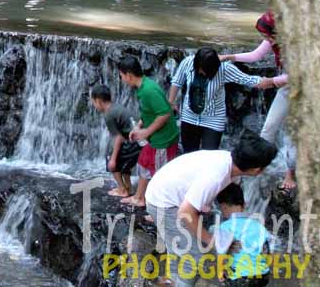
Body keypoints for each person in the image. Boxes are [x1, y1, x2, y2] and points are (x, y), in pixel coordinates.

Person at [145, 136, 278, 287]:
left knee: (180, 245)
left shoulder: (227, 161)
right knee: (195, 254)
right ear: (256, 169)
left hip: (169, 190)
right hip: (164, 202)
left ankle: (172, 280)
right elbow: (185, 212)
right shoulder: (217, 176)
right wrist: (214, 241)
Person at [220, 11, 296, 190]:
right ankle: (257, 165)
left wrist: (271, 82)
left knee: (293, 134)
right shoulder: (273, 40)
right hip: (286, 88)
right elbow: (256, 56)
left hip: (305, 92)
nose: (266, 40)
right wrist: (229, 57)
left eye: (266, 36)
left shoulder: (296, 45)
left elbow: (299, 74)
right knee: (269, 127)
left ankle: (290, 173)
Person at [168, 47, 275, 153]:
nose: (203, 73)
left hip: (213, 120)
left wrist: (271, 81)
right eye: (200, 69)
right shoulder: (188, 62)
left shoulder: (224, 69)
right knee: (189, 155)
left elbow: (246, 79)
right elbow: (177, 82)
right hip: (189, 116)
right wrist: (171, 102)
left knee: (210, 157)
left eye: (207, 71)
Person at [117, 55, 180, 208]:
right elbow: (149, 112)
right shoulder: (144, 86)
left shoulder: (148, 90)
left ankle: (161, 208)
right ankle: (139, 198)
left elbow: (165, 114)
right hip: (156, 138)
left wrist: (145, 133)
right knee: (144, 164)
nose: (121, 79)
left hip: (163, 140)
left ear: (129, 75)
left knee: (160, 174)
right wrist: (138, 126)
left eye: (121, 76)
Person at [215, 184, 273, 287]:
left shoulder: (226, 226)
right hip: (263, 274)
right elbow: (270, 245)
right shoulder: (258, 225)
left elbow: (221, 251)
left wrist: (220, 271)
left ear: (223, 206)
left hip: (240, 277)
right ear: (244, 204)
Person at [90, 84, 142, 198]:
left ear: (98, 101)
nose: (94, 106)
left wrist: (113, 159)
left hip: (134, 141)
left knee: (112, 160)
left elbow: (118, 138)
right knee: (124, 162)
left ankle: (122, 189)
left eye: (93, 102)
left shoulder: (109, 115)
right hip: (139, 140)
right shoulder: (116, 107)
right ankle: (128, 186)